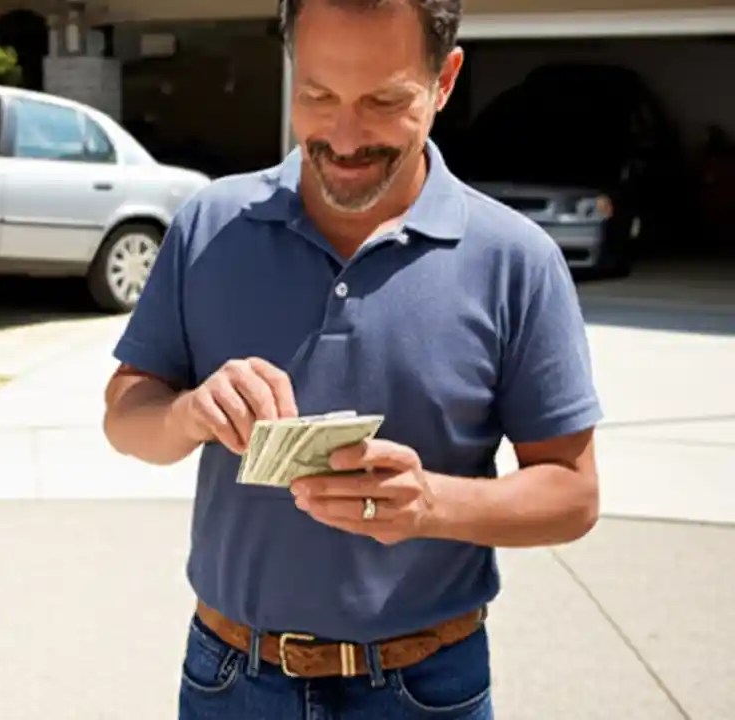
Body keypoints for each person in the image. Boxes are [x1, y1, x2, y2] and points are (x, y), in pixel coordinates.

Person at [101, 0, 602, 717]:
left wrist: (431, 503)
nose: (342, 135)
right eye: (317, 95)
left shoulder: (516, 261)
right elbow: (125, 419)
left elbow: (572, 495)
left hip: (425, 688)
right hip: (228, 681)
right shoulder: (209, 227)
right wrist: (187, 412)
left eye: (382, 101)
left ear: (445, 80)